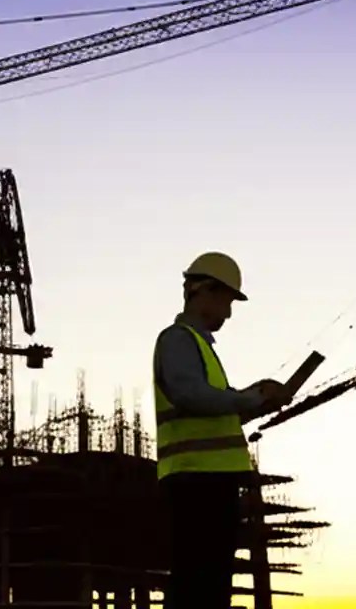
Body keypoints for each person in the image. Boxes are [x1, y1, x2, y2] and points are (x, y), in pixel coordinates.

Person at [153, 251, 289, 609]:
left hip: (211, 481)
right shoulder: (178, 339)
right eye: (227, 302)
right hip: (196, 481)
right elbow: (189, 395)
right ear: (204, 291)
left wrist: (254, 401)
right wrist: (250, 397)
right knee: (198, 584)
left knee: (209, 586)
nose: (228, 314)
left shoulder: (199, 349)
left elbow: (212, 406)